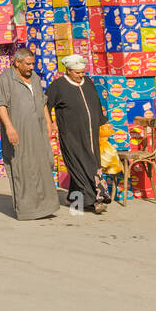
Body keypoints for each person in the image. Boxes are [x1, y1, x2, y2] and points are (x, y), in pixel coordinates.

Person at [0, 47, 60, 220]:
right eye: (28, 64)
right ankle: (28, 210)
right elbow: (1, 105)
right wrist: (9, 127)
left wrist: (49, 122)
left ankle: (45, 208)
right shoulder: (5, 79)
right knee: (22, 168)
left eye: (33, 64)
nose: (31, 67)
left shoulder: (35, 78)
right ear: (17, 63)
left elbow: (42, 102)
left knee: (44, 164)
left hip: (38, 131)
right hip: (19, 132)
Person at [46, 55, 110, 215]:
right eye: (77, 73)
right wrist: (50, 123)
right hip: (71, 134)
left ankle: (72, 198)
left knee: (90, 161)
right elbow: (45, 105)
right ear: (68, 71)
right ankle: (96, 200)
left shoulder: (88, 82)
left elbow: (96, 101)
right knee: (81, 163)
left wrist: (102, 121)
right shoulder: (58, 85)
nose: (81, 75)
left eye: (82, 72)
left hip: (91, 132)